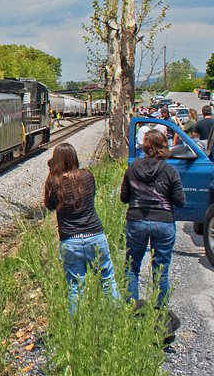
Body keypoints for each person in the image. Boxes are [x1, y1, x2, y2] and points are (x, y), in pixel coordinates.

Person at [45, 143, 119, 312]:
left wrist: (53, 172)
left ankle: (75, 327)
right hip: (95, 235)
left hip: (70, 240)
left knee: (75, 288)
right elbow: (91, 195)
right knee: (107, 279)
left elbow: (50, 206)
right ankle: (116, 316)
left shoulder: (54, 184)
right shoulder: (87, 176)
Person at [120, 129, 185, 306]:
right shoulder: (170, 171)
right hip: (163, 222)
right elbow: (180, 201)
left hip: (137, 220)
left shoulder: (132, 168)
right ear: (164, 147)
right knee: (161, 271)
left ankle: (131, 310)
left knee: (131, 267)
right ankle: (160, 314)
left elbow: (124, 198)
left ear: (144, 146)